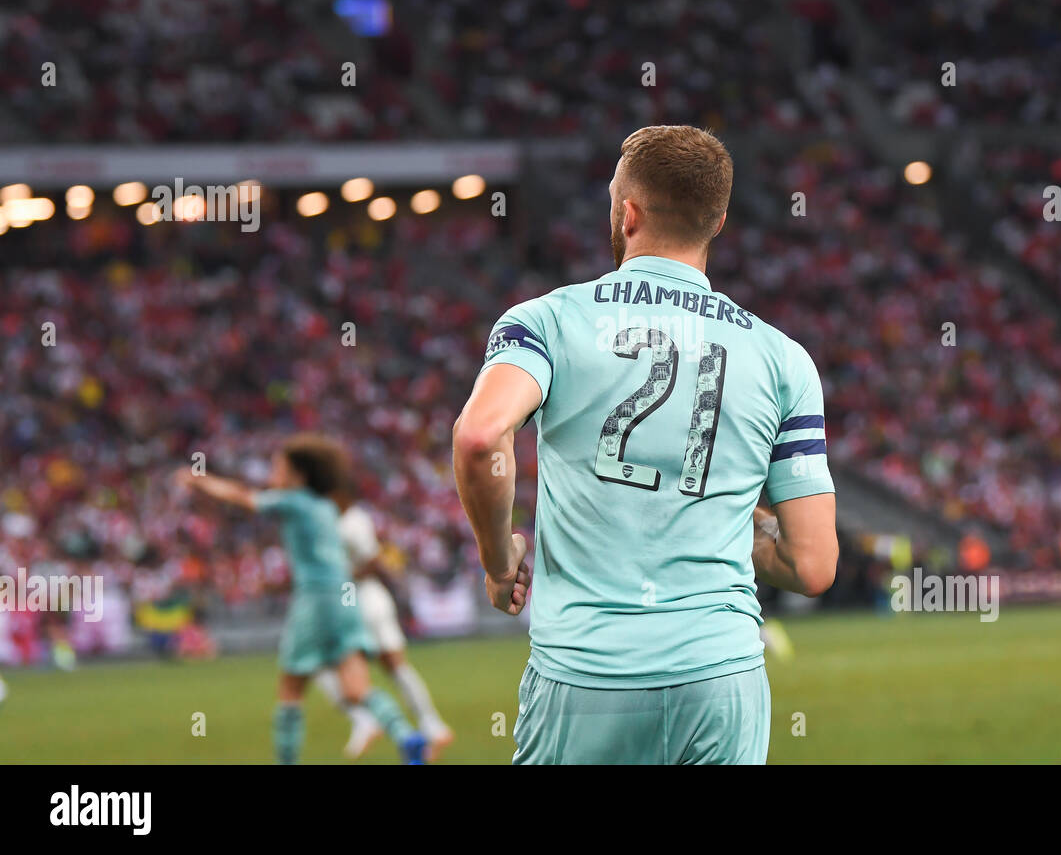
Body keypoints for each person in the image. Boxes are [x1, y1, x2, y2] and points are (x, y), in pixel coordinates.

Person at [453, 125, 839, 765]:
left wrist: (499, 563)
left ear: (626, 213)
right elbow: (813, 565)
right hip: (720, 678)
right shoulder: (783, 359)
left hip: (584, 677)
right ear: (717, 222)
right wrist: (711, 512)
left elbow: (478, 436)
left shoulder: (546, 322)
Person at [174, 434, 427, 764]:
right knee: (356, 688)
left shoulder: (293, 501)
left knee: (291, 690)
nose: (272, 474)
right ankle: (406, 735)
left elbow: (244, 497)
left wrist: (200, 481)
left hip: (316, 600)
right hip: (345, 599)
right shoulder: (326, 506)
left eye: (278, 468)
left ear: (299, 475)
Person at [313, 482, 455, 760]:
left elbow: (373, 560)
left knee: (324, 663)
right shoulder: (346, 520)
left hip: (360, 601)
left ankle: (365, 720)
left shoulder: (353, 521)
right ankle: (432, 725)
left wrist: (340, 577)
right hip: (364, 601)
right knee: (394, 665)